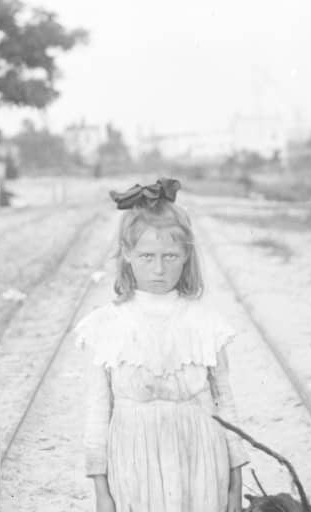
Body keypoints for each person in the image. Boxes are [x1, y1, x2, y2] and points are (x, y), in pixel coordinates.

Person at [77, 178, 249, 512]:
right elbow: (97, 413)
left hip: (199, 458)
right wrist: (101, 490)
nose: (158, 269)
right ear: (127, 254)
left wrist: (235, 481)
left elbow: (225, 403)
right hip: (133, 463)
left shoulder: (205, 324)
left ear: (186, 255)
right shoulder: (107, 325)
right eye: (147, 256)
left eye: (170, 256)